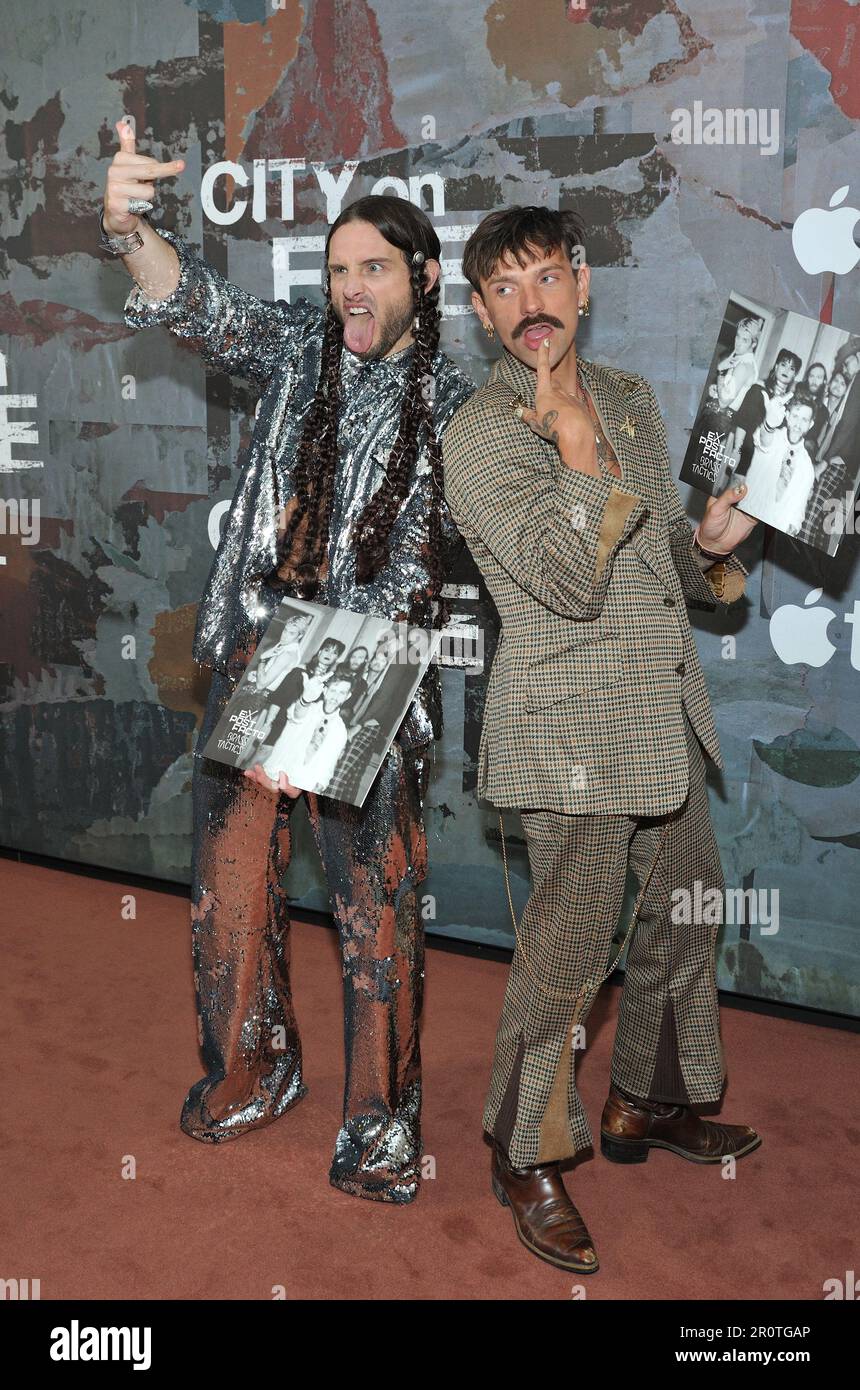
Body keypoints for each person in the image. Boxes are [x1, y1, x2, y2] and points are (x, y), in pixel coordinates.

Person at [103, 117, 475, 1203]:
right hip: (260, 659)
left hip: (375, 686)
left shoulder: (464, 410)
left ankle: (380, 1125)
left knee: (375, 915)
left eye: (372, 269)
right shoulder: (290, 348)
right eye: (335, 272)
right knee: (229, 894)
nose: (350, 289)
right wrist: (128, 226)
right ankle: (250, 1071)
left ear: (421, 274)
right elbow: (195, 302)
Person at [442, 205, 762, 1275]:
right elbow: (569, 583)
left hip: (659, 719)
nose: (530, 306)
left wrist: (709, 547)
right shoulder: (480, 435)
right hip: (569, 736)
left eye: (545, 279)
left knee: (682, 914)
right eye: (503, 290)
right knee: (566, 956)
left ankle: (642, 1103)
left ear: (580, 284)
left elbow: (661, 557)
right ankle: (518, 1150)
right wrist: (575, 457)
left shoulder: (624, 394)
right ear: (484, 316)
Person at [741, 390, 818, 536]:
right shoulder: (774, 437)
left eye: (804, 420)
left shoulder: (807, 467)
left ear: (810, 424)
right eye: (795, 416)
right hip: (747, 515)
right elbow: (764, 441)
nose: (798, 424)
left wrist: (794, 526)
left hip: (773, 531)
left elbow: (799, 509)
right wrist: (769, 424)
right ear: (787, 416)